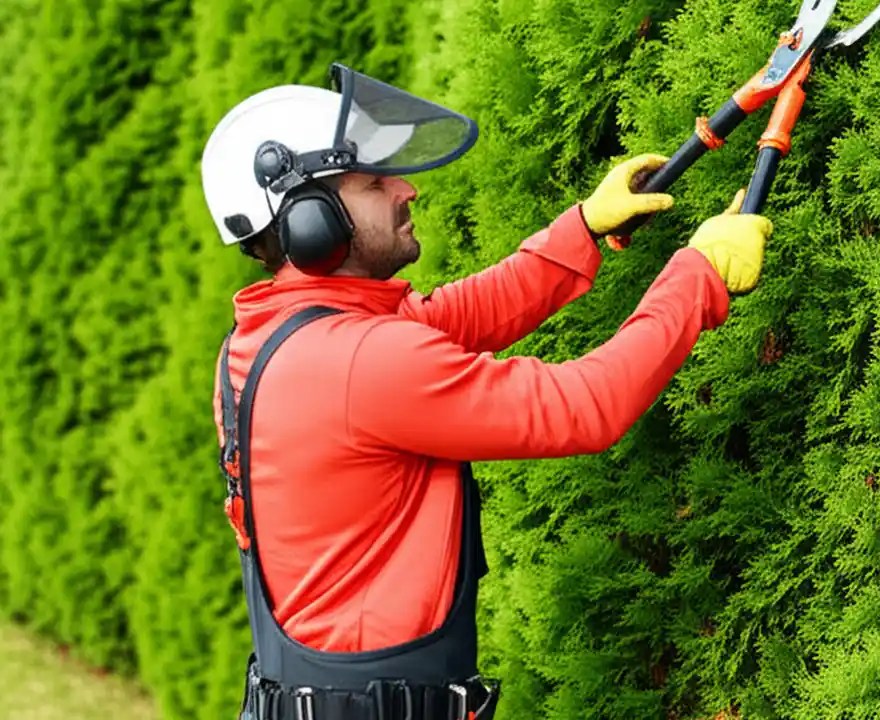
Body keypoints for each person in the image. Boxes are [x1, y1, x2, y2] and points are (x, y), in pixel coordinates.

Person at [202, 62, 773, 720]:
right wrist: (697, 276)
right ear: (311, 221)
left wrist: (583, 226)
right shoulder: (361, 362)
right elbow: (588, 406)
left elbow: (454, 317)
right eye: (372, 179)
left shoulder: (269, 343)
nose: (406, 189)